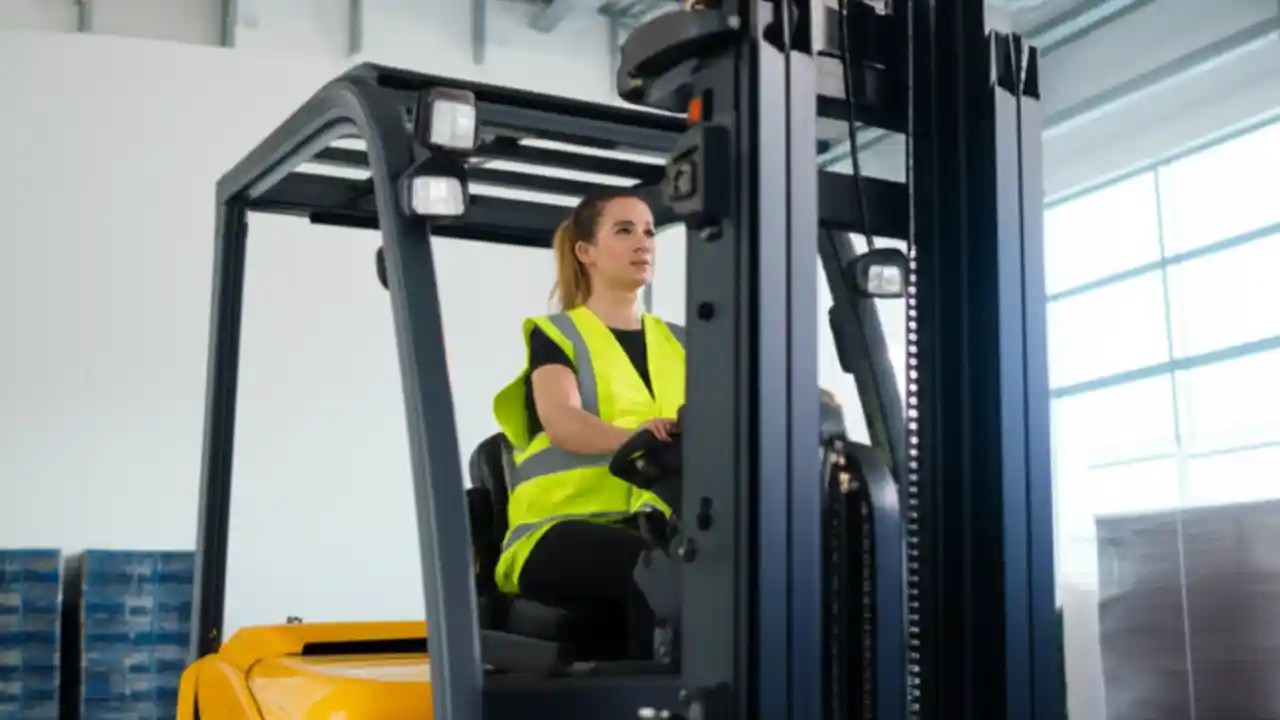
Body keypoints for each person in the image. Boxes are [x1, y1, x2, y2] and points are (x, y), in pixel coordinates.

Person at [491, 190, 684, 659]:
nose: (644, 244)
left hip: (651, 524)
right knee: (655, 574)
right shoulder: (558, 335)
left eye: (648, 232)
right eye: (624, 230)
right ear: (586, 251)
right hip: (554, 530)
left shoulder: (682, 342)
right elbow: (564, 423)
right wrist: (640, 438)